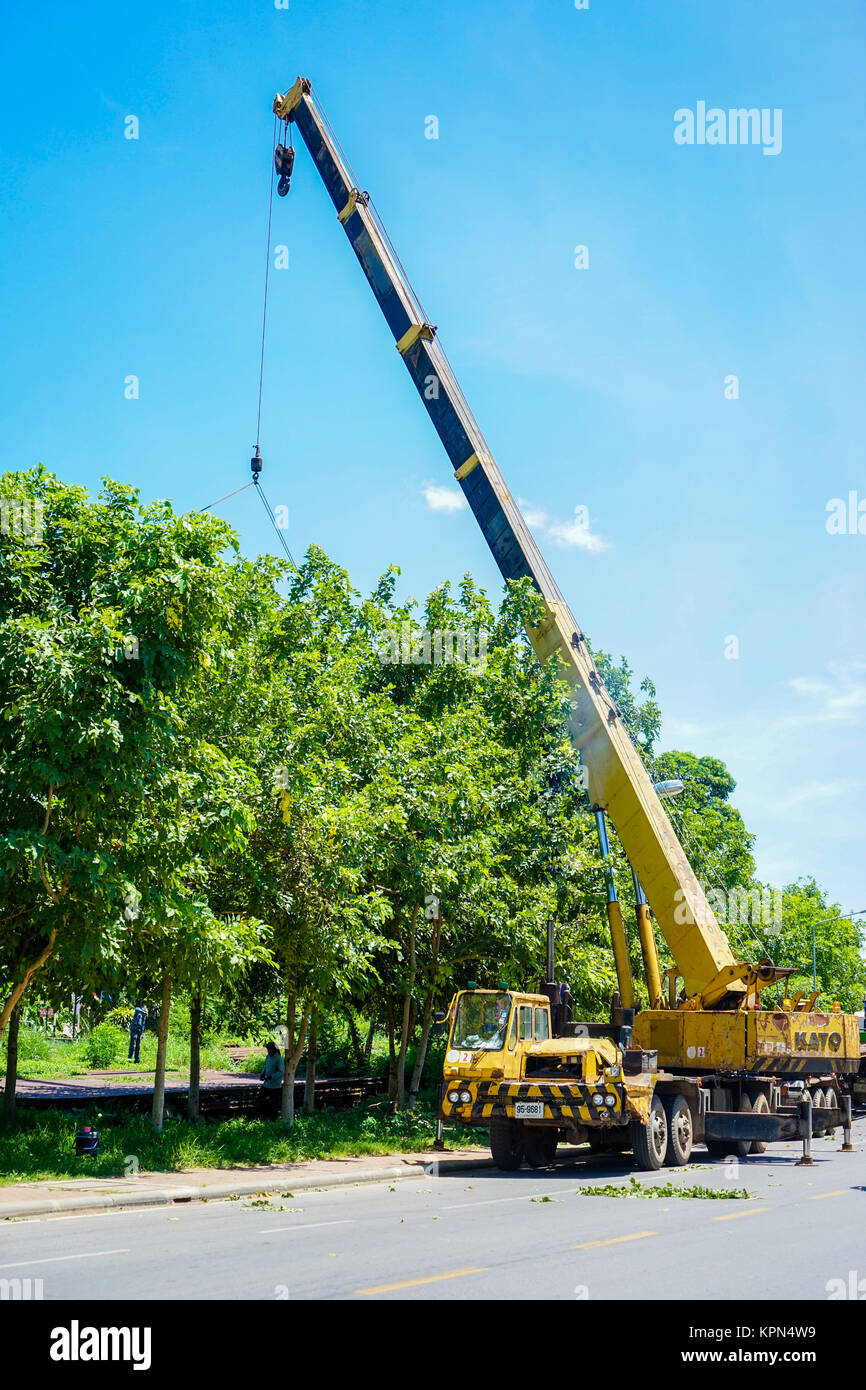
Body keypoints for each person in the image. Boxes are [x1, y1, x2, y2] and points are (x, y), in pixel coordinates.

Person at [260, 1041, 285, 1118]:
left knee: (274, 1104)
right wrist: (262, 1074)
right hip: (266, 1084)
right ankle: (264, 1116)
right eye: (268, 1049)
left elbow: (281, 1071)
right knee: (261, 1099)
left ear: (274, 1049)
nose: (269, 1051)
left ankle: (273, 1119)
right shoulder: (268, 1057)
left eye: (270, 1049)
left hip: (275, 1086)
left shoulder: (278, 1058)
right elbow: (265, 1067)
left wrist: (272, 1076)